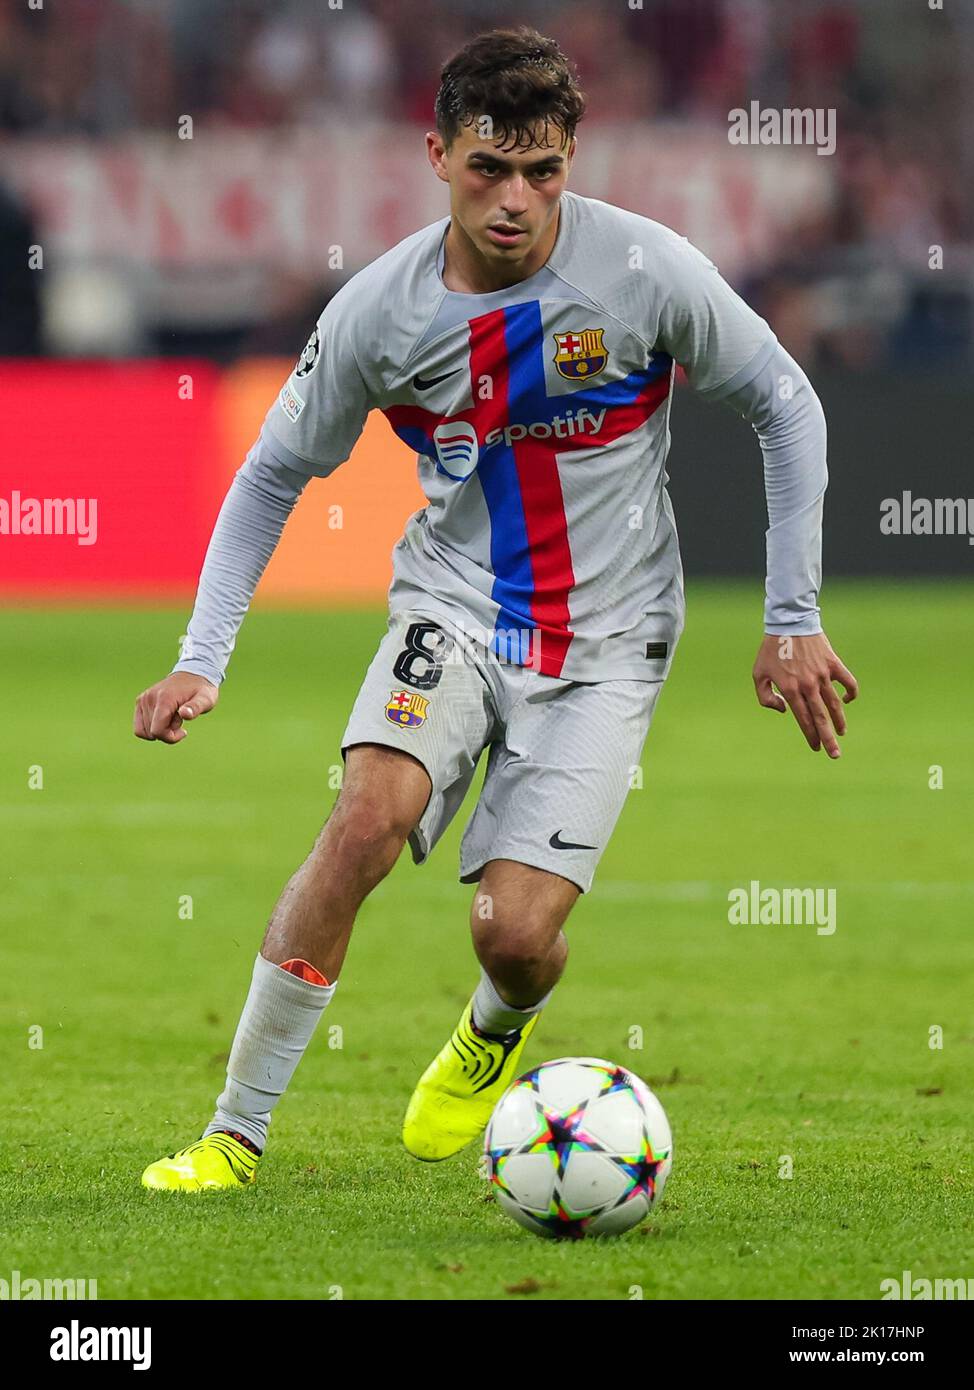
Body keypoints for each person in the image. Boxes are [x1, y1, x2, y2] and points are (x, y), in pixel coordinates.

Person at [134, 27, 857, 1192]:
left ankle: (490, 1026)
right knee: (362, 820)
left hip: (612, 639)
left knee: (513, 937)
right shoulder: (380, 313)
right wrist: (200, 655)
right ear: (436, 155)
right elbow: (272, 471)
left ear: (571, 158)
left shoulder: (644, 271)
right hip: (456, 607)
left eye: (541, 171)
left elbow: (786, 403)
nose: (515, 200)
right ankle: (234, 1133)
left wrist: (791, 615)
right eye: (487, 169)